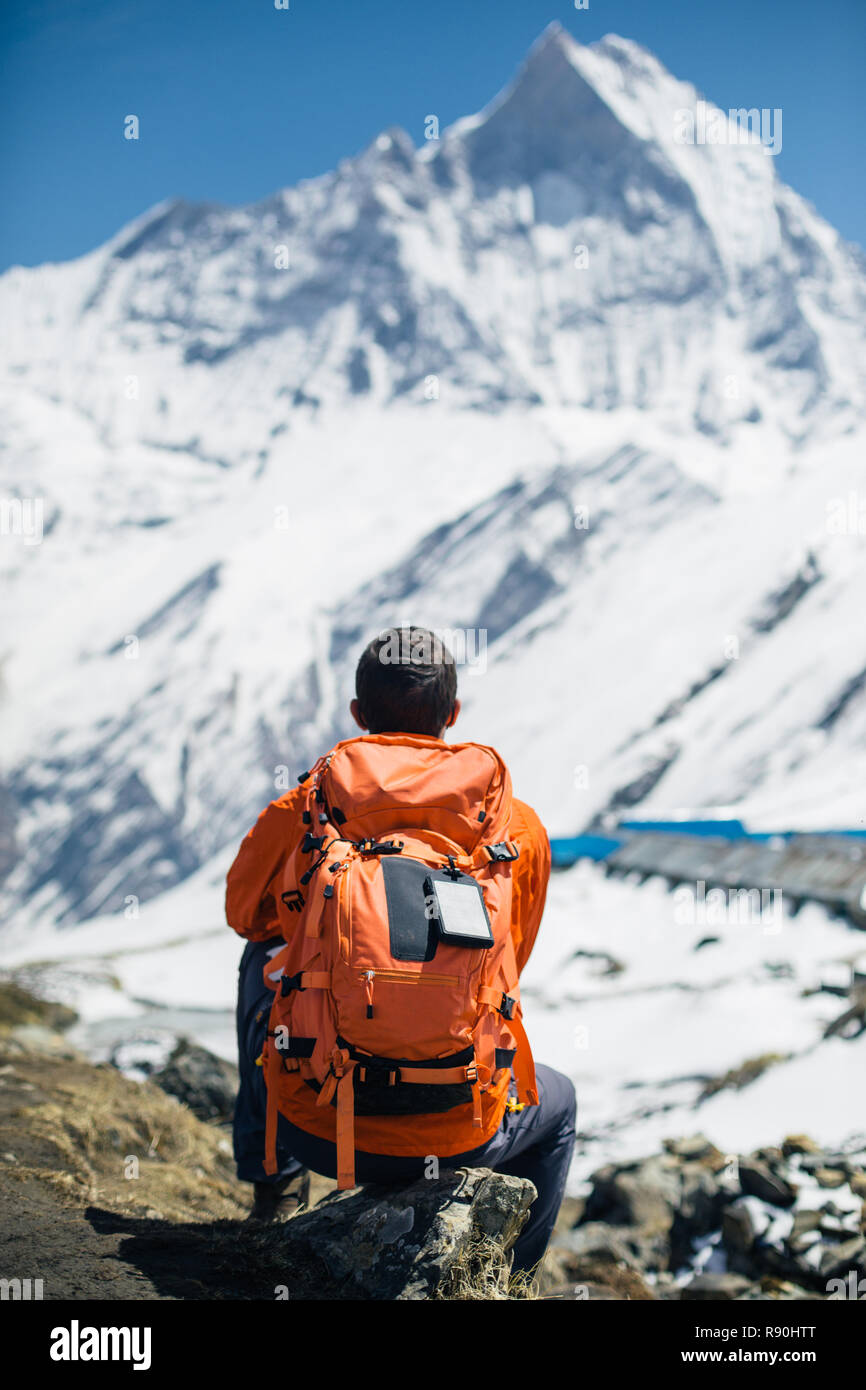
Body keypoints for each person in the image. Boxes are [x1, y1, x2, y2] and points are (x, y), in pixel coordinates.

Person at [225, 626, 576, 1273]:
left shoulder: (304, 808)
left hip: (322, 1127)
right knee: (561, 1104)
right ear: (453, 716)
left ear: (358, 716)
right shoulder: (516, 827)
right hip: (463, 1129)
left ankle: (274, 1189)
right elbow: (509, 962)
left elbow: (244, 914)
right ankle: (504, 1275)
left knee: (262, 956)